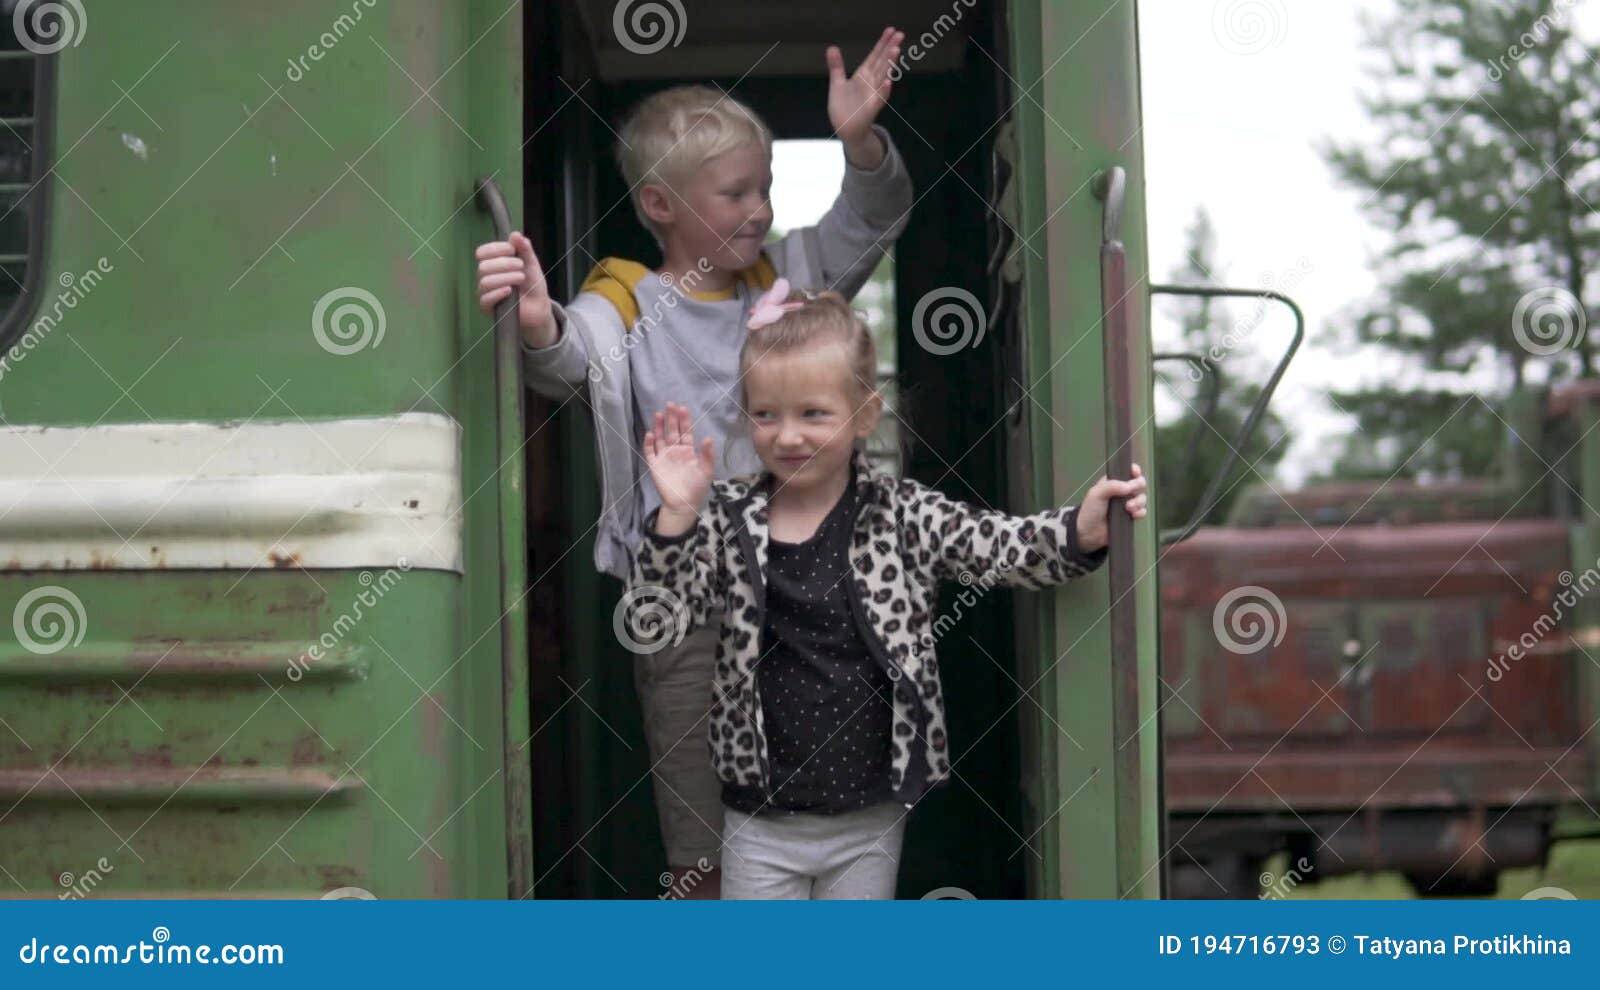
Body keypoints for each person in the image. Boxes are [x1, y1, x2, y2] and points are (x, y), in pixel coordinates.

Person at [475, 28, 913, 899]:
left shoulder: (784, 283)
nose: (759, 208)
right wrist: (534, 320)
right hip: (680, 599)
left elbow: (872, 219)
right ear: (661, 205)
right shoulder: (626, 296)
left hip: (795, 590)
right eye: (736, 192)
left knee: (811, 808)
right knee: (697, 817)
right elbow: (570, 358)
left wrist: (858, 141)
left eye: (767, 189)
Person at [631, 283, 1149, 899]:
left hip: (868, 817)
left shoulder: (897, 512)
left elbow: (992, 544)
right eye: (765, 414)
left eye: (813, 414)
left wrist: (1077, 532)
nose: (787, 435)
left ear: (865, 414)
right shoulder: (729, 514)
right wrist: (677, 516)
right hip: (759, 817)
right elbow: (664, 615)